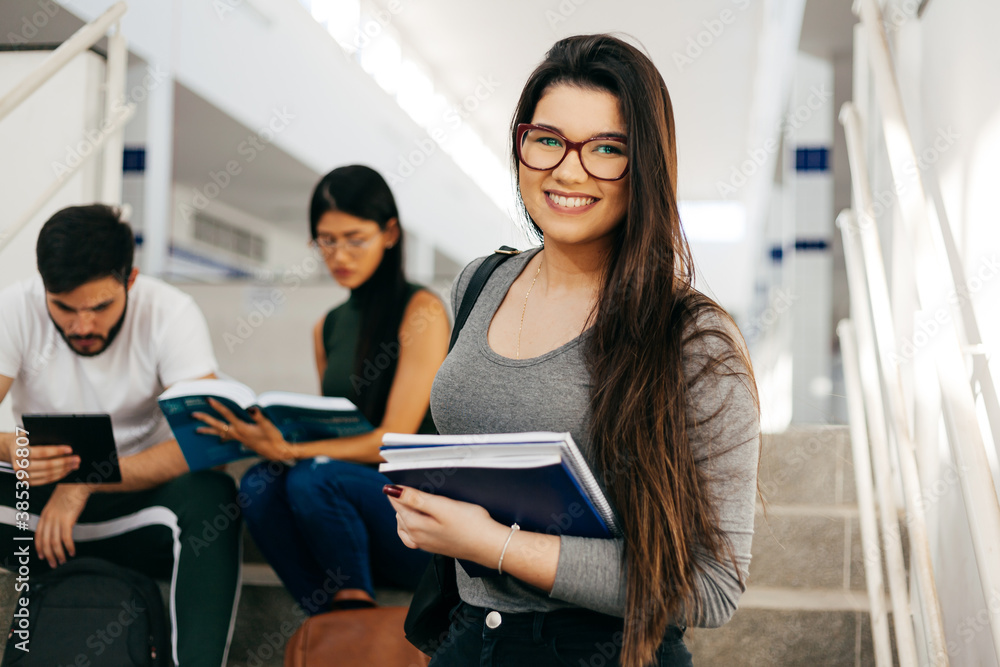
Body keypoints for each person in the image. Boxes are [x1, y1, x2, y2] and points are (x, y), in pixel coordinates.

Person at [385, 34, 761, 667]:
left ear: (644, 166)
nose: (568, 170)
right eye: (548, 139)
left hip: (597, 650)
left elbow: (712, 585)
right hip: (468, 636)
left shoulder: (693, 336)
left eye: (607, 149)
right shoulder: (479, 282)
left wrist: (495, 545)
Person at [195, 165, 449, 612]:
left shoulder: (421, 311)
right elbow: (333, 426)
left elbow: (392, 439)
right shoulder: (327, 327)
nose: (339, 256)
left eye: (355, 239)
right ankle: (335, 620)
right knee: (257, 484)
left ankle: (349, 622)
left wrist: (291, 452)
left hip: (416, 518)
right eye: (326, 241)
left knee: (315, 477)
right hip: (347, 509)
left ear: (389, 233)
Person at [0, 204, 241, 667]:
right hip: (34, 512)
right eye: (64, 308)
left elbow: (207, 443)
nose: (82, 326)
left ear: (129, 281)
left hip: (136, 509)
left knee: (214, 493)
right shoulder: (16, 306)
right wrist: (8, 444)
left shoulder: (170, 312)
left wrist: (87, 481)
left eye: (100, 307)